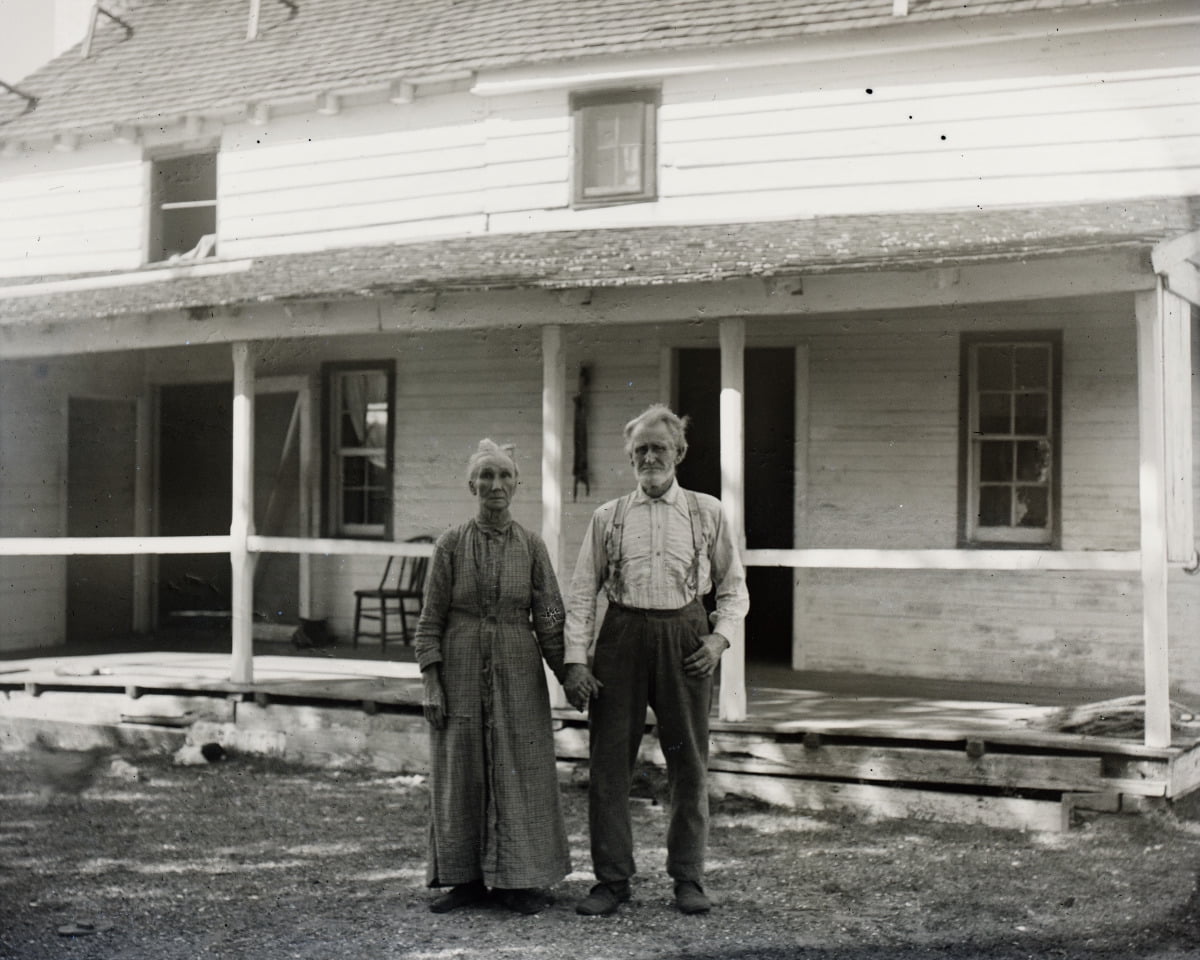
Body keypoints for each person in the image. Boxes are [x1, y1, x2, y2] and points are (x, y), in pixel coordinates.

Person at [562, 404, 749, 917]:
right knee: (608, 764)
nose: (649, 457)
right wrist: (576, 661)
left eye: (659, 448)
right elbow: (582, 594)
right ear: (629, 456)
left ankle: (688, 878)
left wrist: (718, 640)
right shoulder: (608, 517)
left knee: (688, 763)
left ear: (680, 453)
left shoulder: (707, 512)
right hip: (621, 637)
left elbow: (734, 591)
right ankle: (612, 881)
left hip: (685, 639)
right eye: (640, 449)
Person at [415, 439, 572, 916]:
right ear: (471, 486)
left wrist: (568, 674)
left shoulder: (533, 546)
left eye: (504, 475)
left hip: (517, 671)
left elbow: (549, 616)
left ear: (517, 485)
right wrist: (431, 681)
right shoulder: (449, 545)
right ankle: (463, 881)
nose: (495, 484)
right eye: (486, 476)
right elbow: (428, 621)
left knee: (519, 770)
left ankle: (517, 882)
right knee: (459, 771)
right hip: (459, 668)